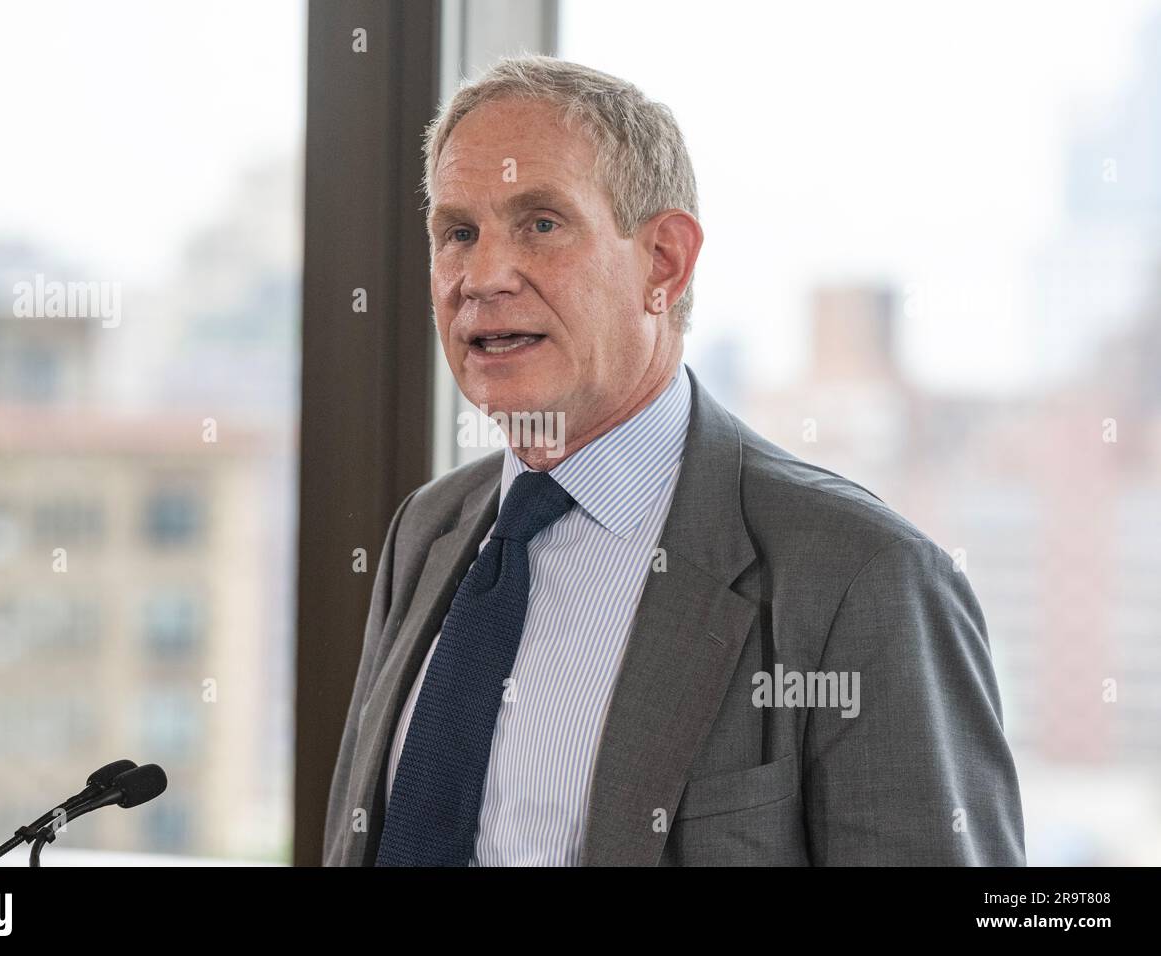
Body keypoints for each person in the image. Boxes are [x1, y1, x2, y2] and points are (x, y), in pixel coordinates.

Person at [323, 54, 1025, 866]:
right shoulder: (429, 528)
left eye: (541, 223)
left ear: (664, 261)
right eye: (458, 233)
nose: (481, 278)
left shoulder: (866, 577)